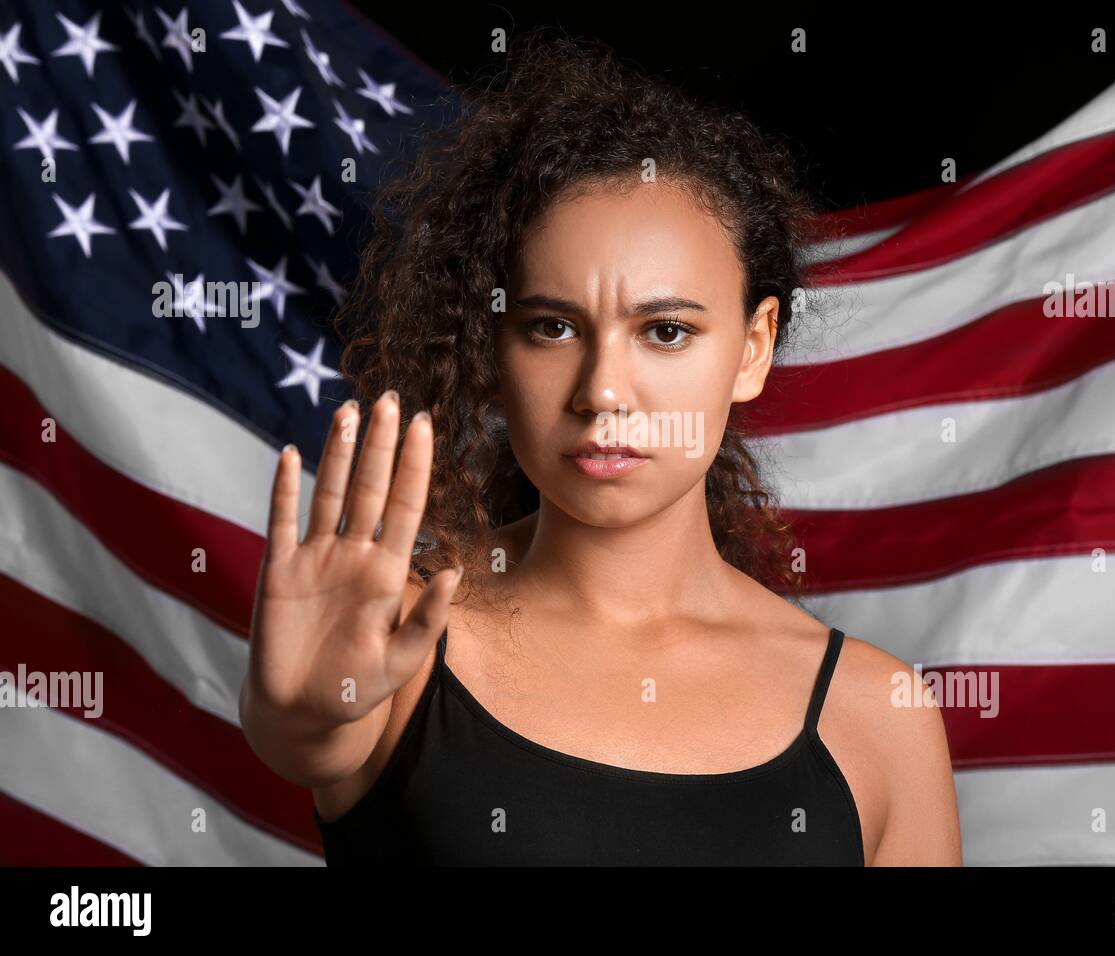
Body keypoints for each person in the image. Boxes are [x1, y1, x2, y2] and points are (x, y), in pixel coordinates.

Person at [239, 28, 962, 866]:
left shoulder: (878, 714)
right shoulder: (393, 639)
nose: (603, 391)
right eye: (550, 327)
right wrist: (300, 712)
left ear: (754, 348)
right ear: (493, 349)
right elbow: (309, 733)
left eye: (665, 330)